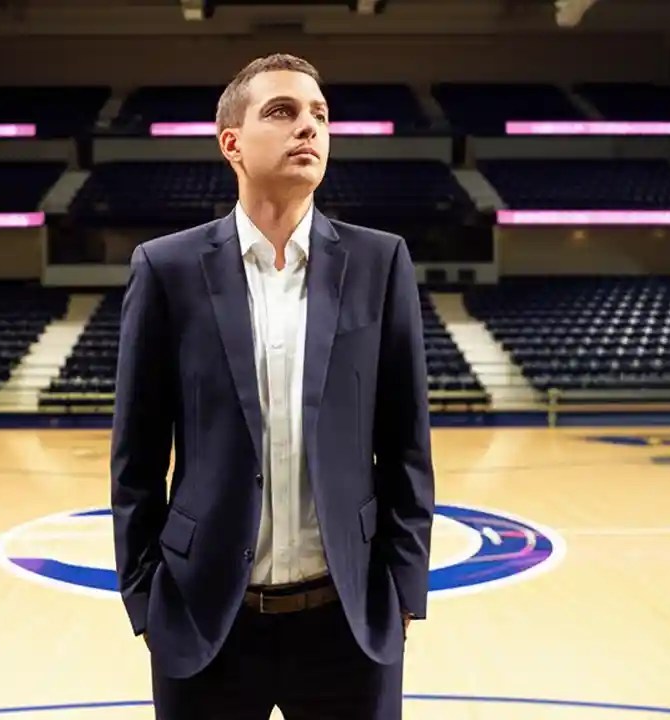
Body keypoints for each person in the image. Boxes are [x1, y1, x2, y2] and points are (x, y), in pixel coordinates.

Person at [110, 53, 435, 719]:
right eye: (282, 112)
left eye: (319, 114)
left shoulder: (381, 262)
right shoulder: (166, 269)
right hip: (206, 625)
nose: (308, 128)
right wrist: (147, 600)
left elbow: (407, 445)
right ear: (231, 141)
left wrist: (404, 589)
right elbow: (135, 458)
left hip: (349, 623)